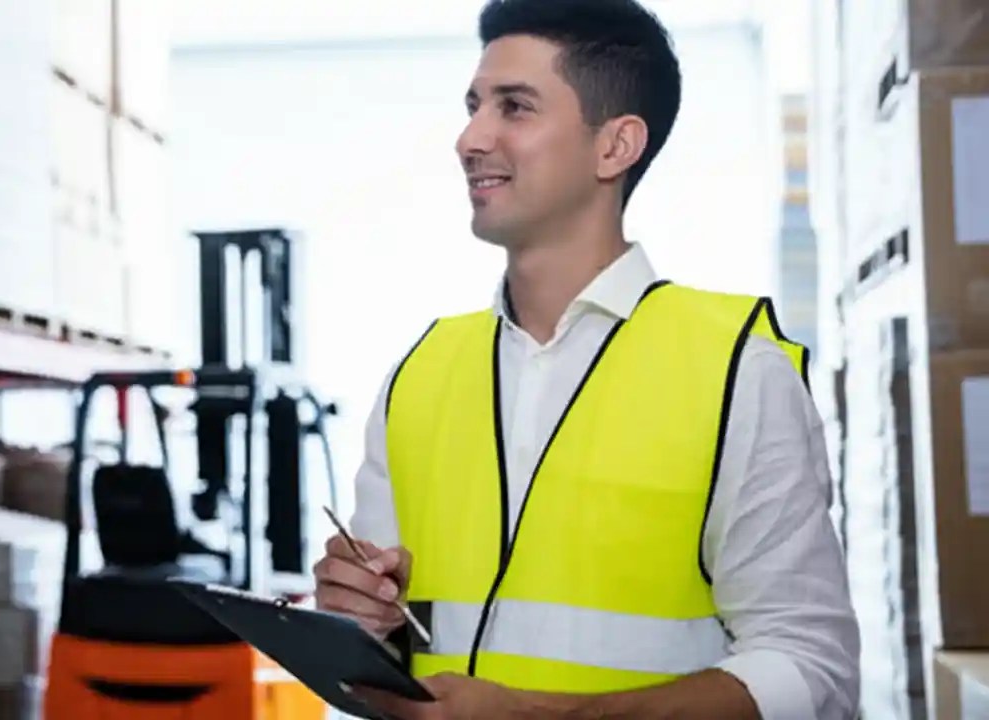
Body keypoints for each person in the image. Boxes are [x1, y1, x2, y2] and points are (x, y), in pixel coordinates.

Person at [312, 0, 861, 718]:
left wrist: (543, 718)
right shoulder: (421, 372)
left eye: (515, 107)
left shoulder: (736, 370)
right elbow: (391, 672)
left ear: (615, 147)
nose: (470, 137)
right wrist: (364, 626)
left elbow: (811, 671)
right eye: (474, 105)